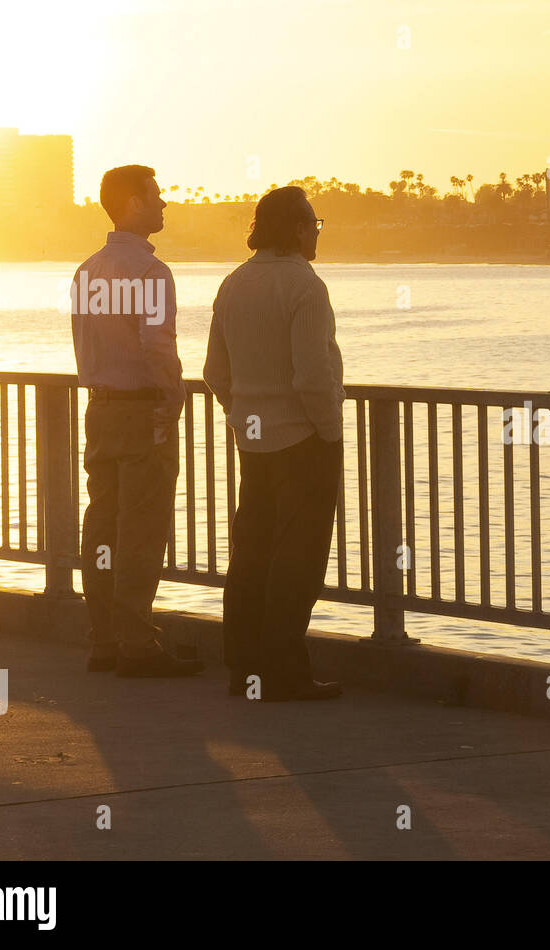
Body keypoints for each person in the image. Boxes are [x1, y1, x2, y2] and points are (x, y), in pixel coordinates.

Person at [204, 186, 344, 701]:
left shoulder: (234, 283)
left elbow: (214, 371)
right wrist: (328, 431)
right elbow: (311, 374)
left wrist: (242, 414)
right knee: (298, 558)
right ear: (298, 228)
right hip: (303, 438)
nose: (316, 233)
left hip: (253, 439)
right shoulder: (305, 287)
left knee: (252, 552)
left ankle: (246, 669)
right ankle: (285, 670)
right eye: (314, 224)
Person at [72, 165, 202, 677]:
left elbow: (87, 343)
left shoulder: (87, 271)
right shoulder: (151, 272)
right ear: (132, 204)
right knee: (143, 529)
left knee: (102, 524)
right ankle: (137, 644)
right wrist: (171, 398)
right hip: (141, 408)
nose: (164, 204)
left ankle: (103, 638)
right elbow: (157, 344)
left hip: (99, 408)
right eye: (155, 197)